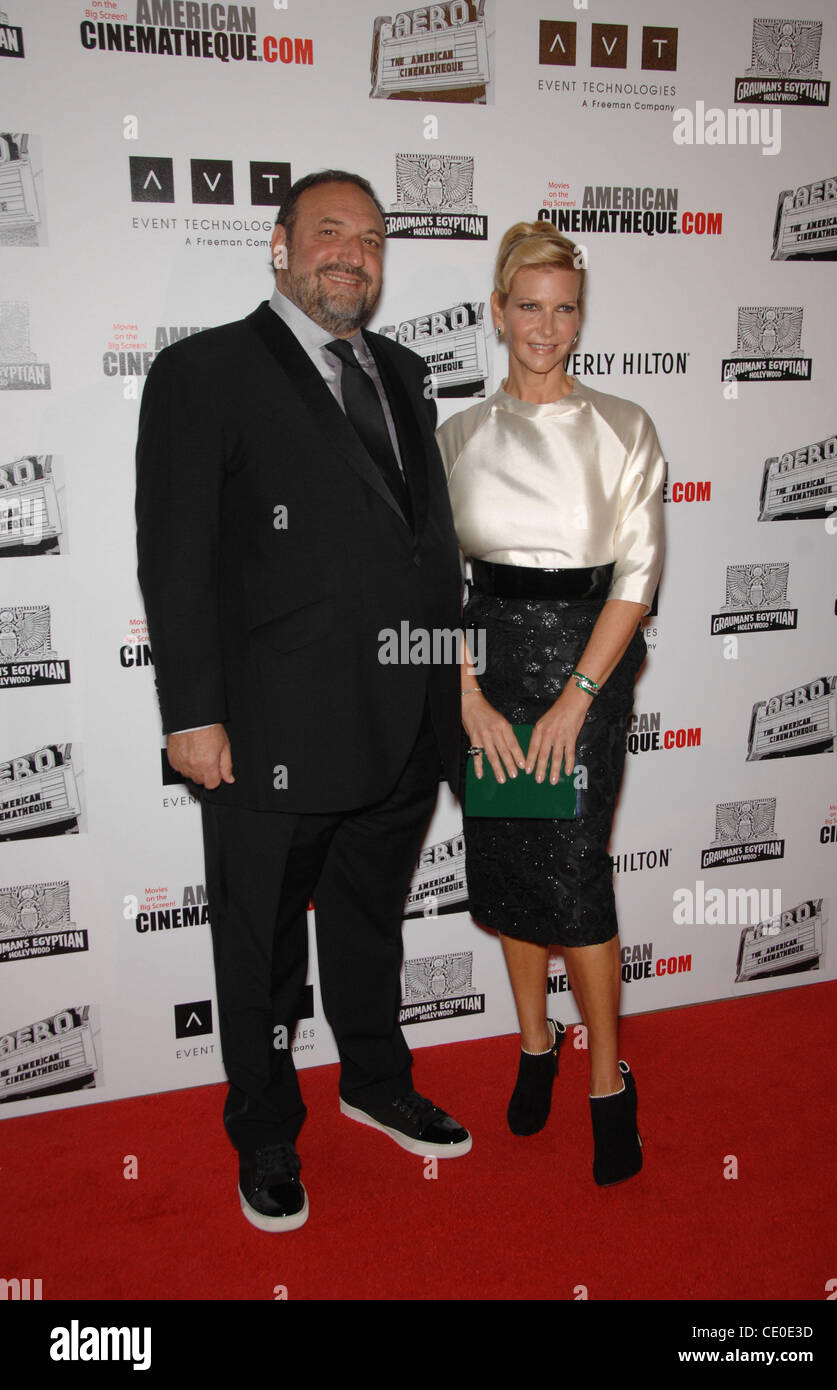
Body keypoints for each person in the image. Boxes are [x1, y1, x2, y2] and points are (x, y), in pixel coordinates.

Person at [135, 170, 471, 1233]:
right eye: (328, 233)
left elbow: (427, 550)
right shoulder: (204, 370)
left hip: (400, 721)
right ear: (278, 246)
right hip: (266, 731)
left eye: (370, 239)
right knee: (260, 948)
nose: (351, 254)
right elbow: (174, 555)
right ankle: (266, 1129)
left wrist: (446, 680)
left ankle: (373, 1079)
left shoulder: (407, 372)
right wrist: (190, 711)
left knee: (372, 924)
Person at [435, 221, 665, 1185]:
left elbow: (636, 578)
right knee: (510, 869)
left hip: (589, 670)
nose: (544, 325)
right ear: (497, 312)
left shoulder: (624, 427)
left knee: (572, 873)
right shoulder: (453, 435)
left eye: (562, 308)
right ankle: (536, 1044)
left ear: (580, 317)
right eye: (526, 306)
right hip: (485, 678)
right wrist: (468, 697)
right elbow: (431, 585)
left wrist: (577, 695)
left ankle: (607, 1078)